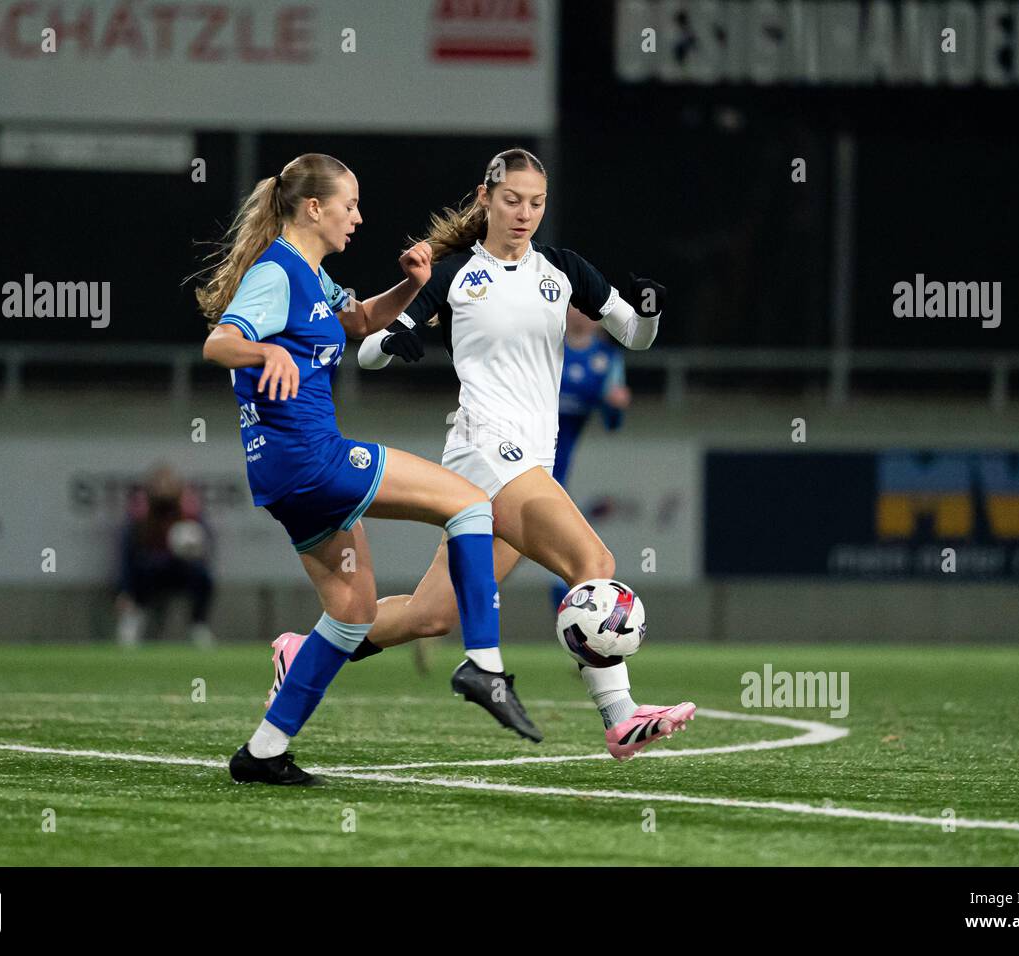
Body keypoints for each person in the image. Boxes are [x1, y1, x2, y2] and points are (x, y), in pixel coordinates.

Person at [267, 148, 695, 761]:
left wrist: (650, 311)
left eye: (537, 203)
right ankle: (619, 717)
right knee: (593, 559)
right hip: (486, 451)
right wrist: (398, 342)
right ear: (485, 198)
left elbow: (634, 335)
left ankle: (299, 653)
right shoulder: (453, 275)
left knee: (428, 616)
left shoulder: (564, 270)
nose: (525, 213)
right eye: (513, 200)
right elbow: (366, 351)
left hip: (527, 461)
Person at [196, 153, 541, 787]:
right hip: (313, 459)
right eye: (350, 205)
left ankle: (264, 751)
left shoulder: (309, 274)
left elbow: (357, 322)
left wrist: (413, 285)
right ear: (314, 208)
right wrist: (264, 347)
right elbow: (219, 343)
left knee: (353, 612)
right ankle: (484, 667)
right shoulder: (277, 272)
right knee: (470, 504)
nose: (359, 216)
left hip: (283, 477)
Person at [546, 305, 631, 609]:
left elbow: (613, 424)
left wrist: (615, 406)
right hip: (522, 461)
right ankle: (445, 611)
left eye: (588, 308)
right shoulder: (546, 347)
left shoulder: (608, 360)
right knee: (575, 557)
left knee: (572, 557)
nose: (581, 314)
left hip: (556, 473)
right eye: (575, 307)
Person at [115, 463, 215, 648]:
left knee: (203, 576)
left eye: (168, 482)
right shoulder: (140, 516)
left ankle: (198, 625)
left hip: (181, 570)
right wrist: (124, 590)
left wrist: (193, 549)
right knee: (142, 569)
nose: (164, 488)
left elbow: (207, 543)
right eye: (159, 483)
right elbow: (126, 555)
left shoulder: (189, 511)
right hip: (151, 572)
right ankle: (133, 619)